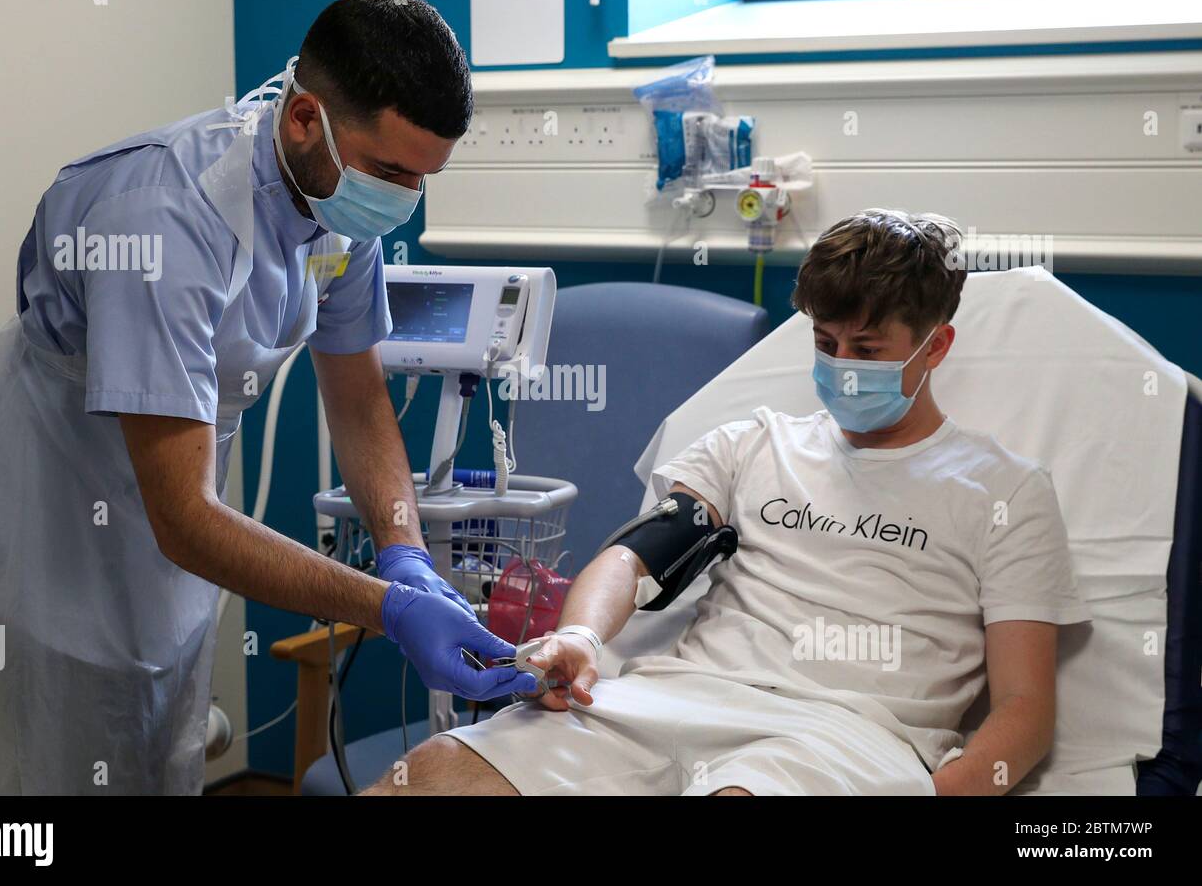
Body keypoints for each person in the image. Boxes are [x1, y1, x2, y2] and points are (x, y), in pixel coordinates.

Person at [0, 0, 533, 796]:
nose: (402, 200)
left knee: (161, 761)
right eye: (390, 171)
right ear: (302, 118)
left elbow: (357, 397)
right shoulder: (164, 220)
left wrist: (405, 551)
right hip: (56, 522)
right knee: (53, 778)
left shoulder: (340, 206)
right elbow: (183, 519)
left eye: (423, 179)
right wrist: (386, 608)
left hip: (172, 525)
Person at [364, 209, 1092, 796]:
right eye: (825, 341)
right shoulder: (757, 443)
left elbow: (1025, 710)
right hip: (673, 700)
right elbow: (634, 555)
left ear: (935, 347)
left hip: (844, 738)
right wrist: (582, 638)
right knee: (429, 775)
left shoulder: (1005, 491)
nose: (841, 365)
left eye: (868, 350)